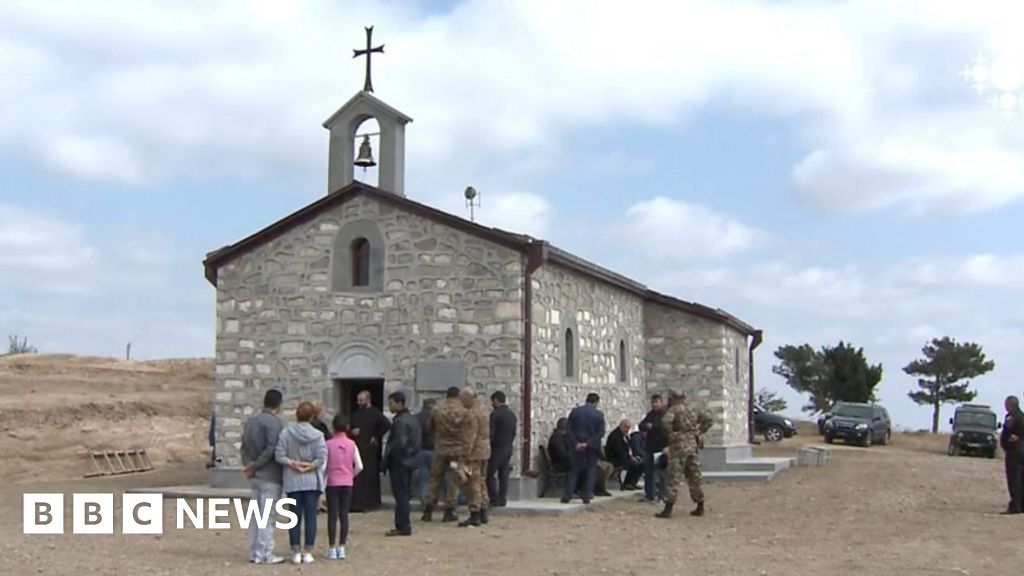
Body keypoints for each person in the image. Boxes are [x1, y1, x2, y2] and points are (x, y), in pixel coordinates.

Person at [274, 401, 327, 564]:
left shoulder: (286, 433)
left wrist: (293, 463)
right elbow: (321, 457)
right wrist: (310, 465)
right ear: (312, 416)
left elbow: (279, 455)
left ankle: (295, 550)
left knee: (294, 517)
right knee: (311, 516)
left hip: (293, 479)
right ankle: (308, 550)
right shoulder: (318, 435)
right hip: (311, 480)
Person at [241, 389, 285, 565]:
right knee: (267, 516)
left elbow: (243, 446)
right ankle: (265, 553)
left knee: (255, 515)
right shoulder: (275, 423)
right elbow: (271, 449)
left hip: (254, 474)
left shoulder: (251, 421)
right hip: (269, 474)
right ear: (278, 404)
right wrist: (256, 465)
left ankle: (254, 551)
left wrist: (249, 466)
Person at [656, 390, 712, 519]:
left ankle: (668, 508)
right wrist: (698, 431)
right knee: (694, 476)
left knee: (674, 477)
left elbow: (665, 422)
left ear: (673, 398)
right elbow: (708, 420)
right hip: (692, 445)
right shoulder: (693, 409)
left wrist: (671, 433)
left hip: (678, 447)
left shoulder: (673, 410)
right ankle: (700, 505)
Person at [422, 386, 473, 523]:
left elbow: (430, 427)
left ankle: (428, 509)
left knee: (434, 479)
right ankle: (449, 510)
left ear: (446, 395)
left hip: (440, 449)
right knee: (453, 480)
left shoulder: (437, 409)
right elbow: (468, 431)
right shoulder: (464, 411)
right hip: (457, 451)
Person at [323, 413, 362, 560]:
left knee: (332, 515)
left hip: (333, 482)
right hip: (347, 482)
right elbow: (359, 465)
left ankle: (332, 547)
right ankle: (342, 547)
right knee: (344, 515)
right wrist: (350, 475)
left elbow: (324, 465)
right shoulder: (352, 444)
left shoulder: (328, 444)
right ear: (347, 428)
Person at [384, 391, 422, 536]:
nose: (390, 406)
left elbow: (400, 443)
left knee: (401, 496)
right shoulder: (412, 419)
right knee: (403, 494)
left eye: (392, 403)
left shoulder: (401, 421)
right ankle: (403, 525)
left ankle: (403, 526)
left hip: (400, 463)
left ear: (399, 403)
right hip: (409, 462)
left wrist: (391, 459)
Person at [350, 390, 391, 512]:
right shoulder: (356, 414)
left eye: (361, 400)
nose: (359, 403)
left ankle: (370, 503)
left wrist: (376, 436)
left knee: (370, 477)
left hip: (370, 451)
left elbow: (387, 425)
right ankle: (357, 503)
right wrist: (352, 432)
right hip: (358, 448)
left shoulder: (375, 413)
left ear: (368, 400)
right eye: (358, 400)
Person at [562, 393, 605, 504]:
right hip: (591, 447)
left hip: (577, 445)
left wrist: (576, 443)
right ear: (596, 402)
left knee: (574, 470)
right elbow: (600, 433)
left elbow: (569, 429)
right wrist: (588, 443)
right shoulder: (599, 415)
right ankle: (586, 495)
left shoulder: (575, 412)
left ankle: (568, 495)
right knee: (591, 470)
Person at [459, 387, 491, 527]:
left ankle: (475, 513)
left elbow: (469, 438)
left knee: (473, 484)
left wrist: (463, 457)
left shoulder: (471, 415)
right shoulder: (483, 410)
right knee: (482, 481)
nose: (461, 402)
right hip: (484, 452)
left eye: (462, 399)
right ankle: (484, 511)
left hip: (473, 455)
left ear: (469, 398)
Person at [487, 391, 517, 507]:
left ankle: (494, 498)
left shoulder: (495, 414)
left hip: (497, 448)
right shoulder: (511, 415)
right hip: (508, 446)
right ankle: (502, 498)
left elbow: (491, 433)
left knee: (489, 474)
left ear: (496, 400)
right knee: (503, 474)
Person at [639, 393, 668, 503]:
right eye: (653, 403)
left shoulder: (665, 415)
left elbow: (664, 429)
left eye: (656, 403)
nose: (654, 405)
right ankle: (649, 495)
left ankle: (662, 496)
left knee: (662, 473)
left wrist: (653, 427)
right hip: (650, 447)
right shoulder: (650, 414)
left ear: (661, 403)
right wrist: (647, 427)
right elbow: (641, 425)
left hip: (661, 448)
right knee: (648, 472)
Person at [999, 395, 1024, 514]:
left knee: (1014, 479)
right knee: (1022, 478)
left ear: (1010, 405)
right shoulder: (1023, 416)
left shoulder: (1011, 417)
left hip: (1014, 452)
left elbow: (1007, 433)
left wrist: (1005, 444)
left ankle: (1015, 505)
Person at [605, 419, 643, 490]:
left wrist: (632, 456)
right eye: (626, 427)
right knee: (633, 464)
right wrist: (629, 457)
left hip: (624, 457)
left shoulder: (625, 436)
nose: (627, 429)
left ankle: (632, 483)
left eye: (628, 428)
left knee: (641, 463)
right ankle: (627, 483)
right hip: (615, 459)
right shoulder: (615, 436)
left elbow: (628, 448)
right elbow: (618, 450)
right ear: (621, 426)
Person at [416, 398, 436, 507]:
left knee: (424, 479)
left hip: (422, 450)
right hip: (435, 450)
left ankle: (425, 502)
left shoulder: (417, 417)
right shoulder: (437, 417)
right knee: (439, 478)